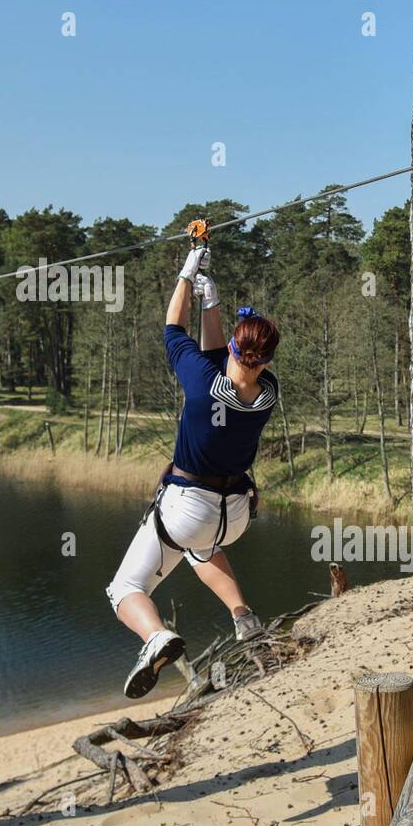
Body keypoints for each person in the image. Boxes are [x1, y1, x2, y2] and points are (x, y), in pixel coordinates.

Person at [105, 243, 280, 698]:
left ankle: (155, 637)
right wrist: (214, 302)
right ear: (265, 360)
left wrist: (186, 275)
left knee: (125, 588)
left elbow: (171, 328)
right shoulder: (268, 393)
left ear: (236, 350)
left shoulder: (203, 385)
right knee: (201, 550)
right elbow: (222, 352)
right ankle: (243, 616)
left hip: (189, 507)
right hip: (235, 513)